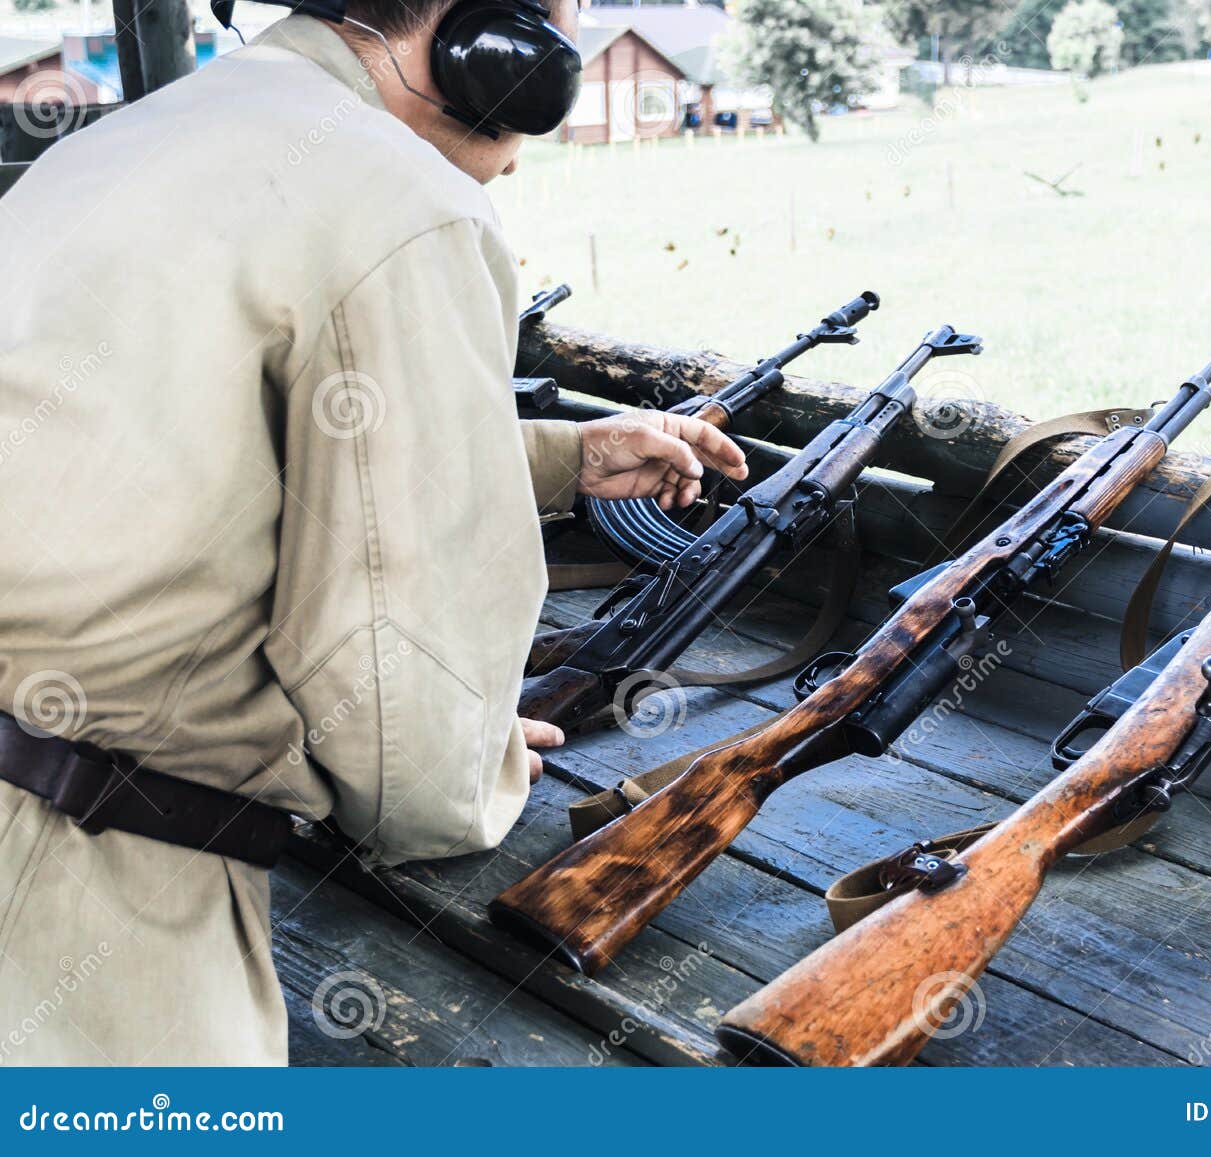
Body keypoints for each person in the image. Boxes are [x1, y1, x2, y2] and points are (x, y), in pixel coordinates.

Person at [0, 0, 746, 1065]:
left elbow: (159, 432)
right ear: (481, 43)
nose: (521, 156)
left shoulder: (126, 141)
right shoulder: (410, 205)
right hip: (80, 881)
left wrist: (546, 458)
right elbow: (407, 751)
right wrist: (468, 759)